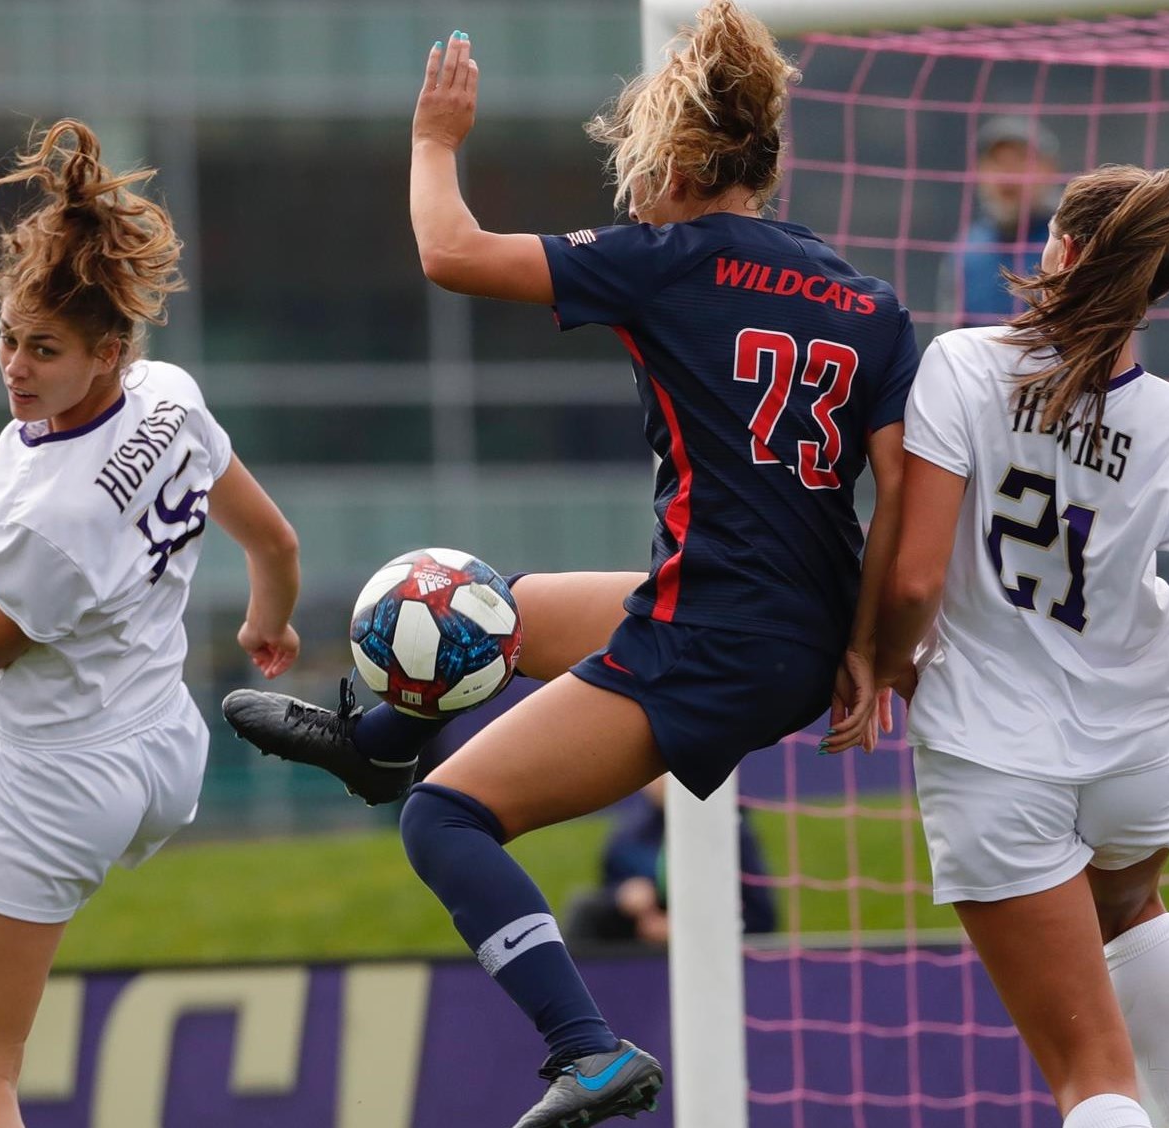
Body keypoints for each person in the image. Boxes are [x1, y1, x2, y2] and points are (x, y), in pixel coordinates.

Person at [218, 6, 916, 1125]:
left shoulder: (666, 261)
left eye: (634, 160)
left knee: (445, 823)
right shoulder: (865, 300)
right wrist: (876, 648)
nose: (626, 187)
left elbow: (450, 253)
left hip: (716, 636)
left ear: (682, 160)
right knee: (504, 611)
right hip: (797, 622)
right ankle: (371, 743)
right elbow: (900, 512)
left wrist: (435, 142)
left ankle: (584, 1049)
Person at [857, 163, 1169, 1128]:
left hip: (993, 751)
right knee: (1129, 915)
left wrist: (880, 667)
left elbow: (917, 580)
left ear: (1060, 250)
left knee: (1092, 1076)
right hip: (1137, 747)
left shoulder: (963, 364)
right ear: (1157, 287)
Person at [0, 120, 301, 1128]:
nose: (15, 365)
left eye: (44, 350)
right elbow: (274, 543)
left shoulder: (47, 517)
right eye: (8, 336)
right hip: (159, 752)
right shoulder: (169, 401)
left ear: (110, 350)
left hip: (56, 778)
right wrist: (269, 624)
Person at [563, 776, 777, 948]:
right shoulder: (629, 834)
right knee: (583, 906)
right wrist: (621, 896)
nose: (662, 779)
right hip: (638, 943)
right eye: (655, 770)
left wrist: (685, 931)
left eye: (669, 770)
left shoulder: (732, 834)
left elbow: (761, 918)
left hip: (706, 951)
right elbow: (607, 887)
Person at [939, 116, 1062, 327]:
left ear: (1049, 170)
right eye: (997, 162)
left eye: (1021, 160)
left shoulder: (1072, 241)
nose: (1008, 174)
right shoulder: (966, 250)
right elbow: (949, 337)